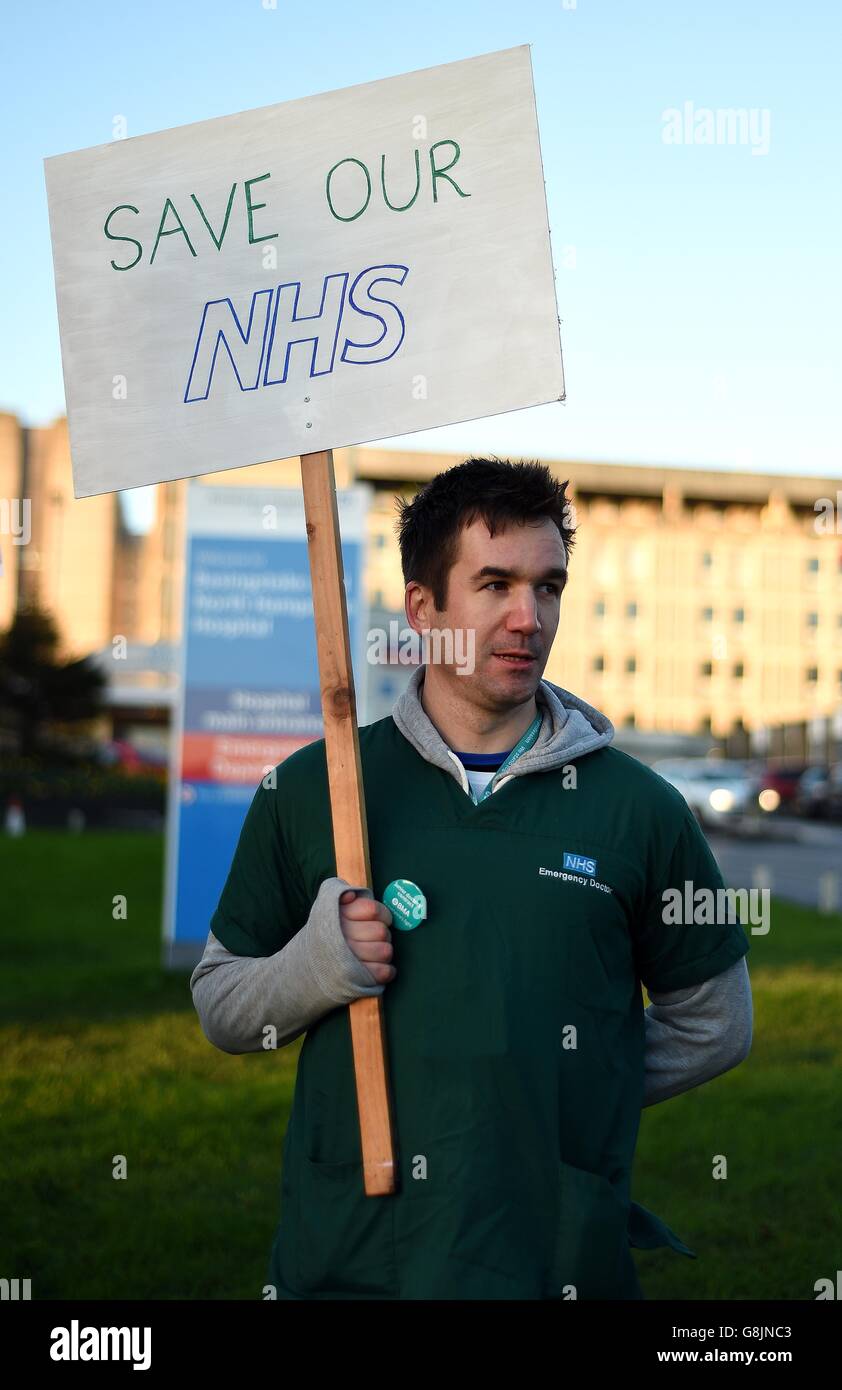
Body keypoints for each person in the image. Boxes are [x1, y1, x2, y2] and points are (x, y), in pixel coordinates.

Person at [190, 457, 752, 1300]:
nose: (529, 618)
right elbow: (222, 1004)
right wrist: (315, 965)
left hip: (551, 1255)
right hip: (355, 1250)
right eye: (494, 584)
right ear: (423, 610)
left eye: (549, 587)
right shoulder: (315, 790)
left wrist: (552, 1091)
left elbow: (717, 1023)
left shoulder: (640, 810)